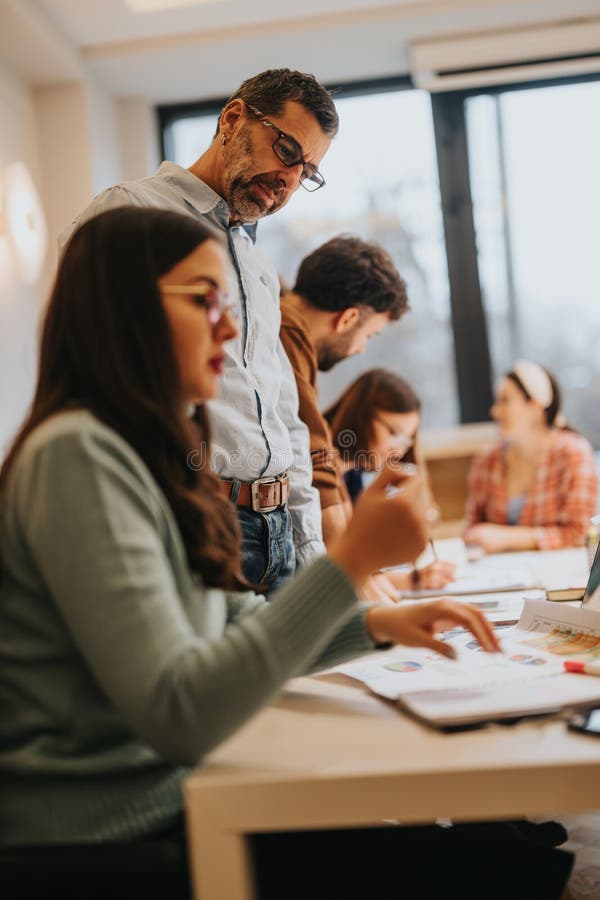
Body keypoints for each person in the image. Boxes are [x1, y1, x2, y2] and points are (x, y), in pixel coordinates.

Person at [1, 209, 573, 900]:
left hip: (179, 799)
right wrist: (349, 562)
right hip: (111, 840)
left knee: (495, 850)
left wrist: (374, 625)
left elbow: (239, 626)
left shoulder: (159, 456)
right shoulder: (76, 456)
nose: (233, 327)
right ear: (125, 311)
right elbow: (179, 711)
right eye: (205, 299)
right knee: (498, 870)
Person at [59, 68, 340, 595]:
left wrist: (308, 546)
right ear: (233, 119)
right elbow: (95, 374)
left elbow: (283, 415)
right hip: (201, 519)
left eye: (306, 171)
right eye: (285, 149)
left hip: (281, 530)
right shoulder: (131, 213)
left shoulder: (256, 264)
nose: (288, 179)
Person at [279, 235, 408, 546]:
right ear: (348, 318)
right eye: (369, 335)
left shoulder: (285, 327)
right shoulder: (285, 332)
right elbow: (315, 453)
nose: (362, 349)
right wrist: (354, 577)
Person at [325, 369, 456, 593]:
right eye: (394, 433)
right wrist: (413, 580)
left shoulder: (354, 476)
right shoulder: (322, 473)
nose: (399, 449)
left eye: (407, 439)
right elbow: (337, 569)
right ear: (362, 415)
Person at [464, 359, 598, 554]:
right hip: (498, 578)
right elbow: (472, 532)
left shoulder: (573, 453)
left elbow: (581, 533)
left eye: (505, 401)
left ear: (536, 405)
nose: (494, 411)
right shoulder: (486, 460)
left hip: (557, 575)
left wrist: (506, 538)